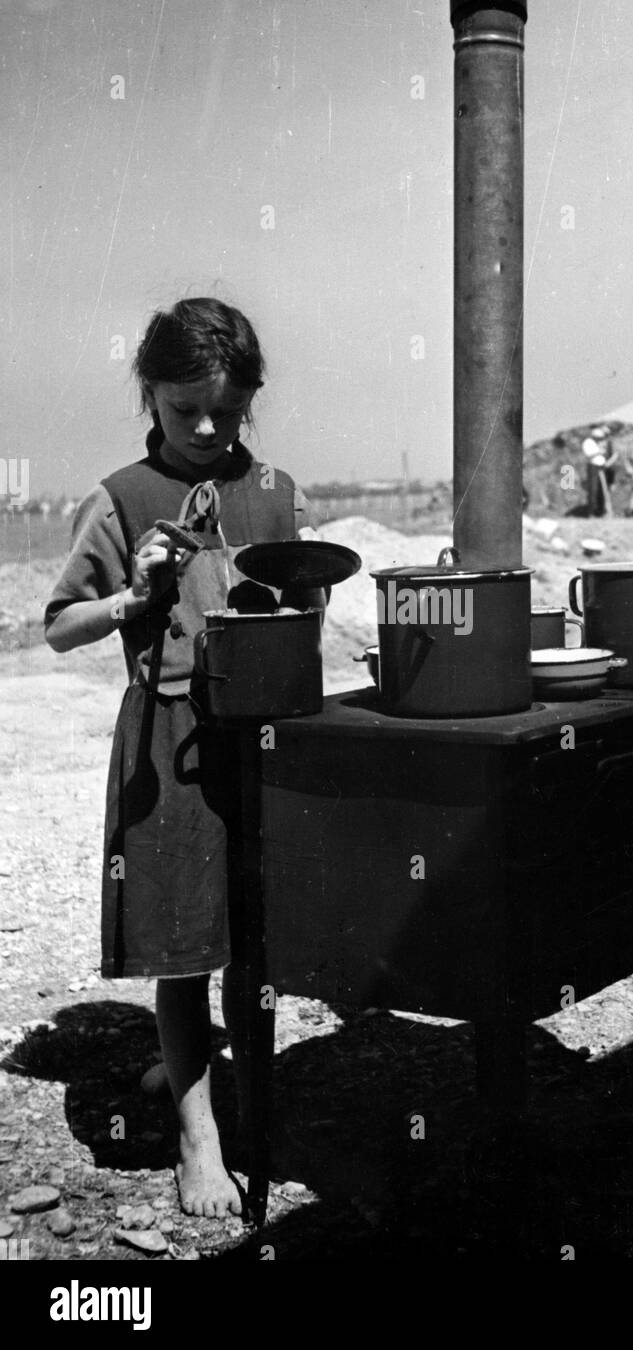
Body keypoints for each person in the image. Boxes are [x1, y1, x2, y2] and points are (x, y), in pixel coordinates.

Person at [44, 298, 325, 1218]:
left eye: (228, 410)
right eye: (182, 410)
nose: (207, 429)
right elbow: (58, 627)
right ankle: (198, 1139)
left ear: (251, 400)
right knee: (184, 944)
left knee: (258, 936)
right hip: (170, 740)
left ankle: (212, 1081)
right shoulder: (122, 496)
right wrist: (133, 597)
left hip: (264, 739)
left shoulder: (277, 490)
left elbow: (313, 602)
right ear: (149, 397)